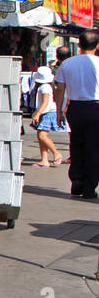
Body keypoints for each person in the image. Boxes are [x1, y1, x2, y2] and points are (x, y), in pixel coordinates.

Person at [54, 30, 99, 198]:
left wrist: (59, 111)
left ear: (79, 45)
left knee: (76, 144)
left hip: (75, 108)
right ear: (97, 46)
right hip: (95, 108)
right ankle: (89, 186)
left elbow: (60, 89)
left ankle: (76, 179)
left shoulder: (67, 64)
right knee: (93, 148)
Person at [30, 66, 62, 168]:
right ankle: (44, 160)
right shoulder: (47, 86)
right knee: (41, 136)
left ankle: (56, 153)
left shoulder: (44, 87)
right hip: (46, 112)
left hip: (47, 112)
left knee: (42, 136)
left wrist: (38, 113)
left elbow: (45, 102)